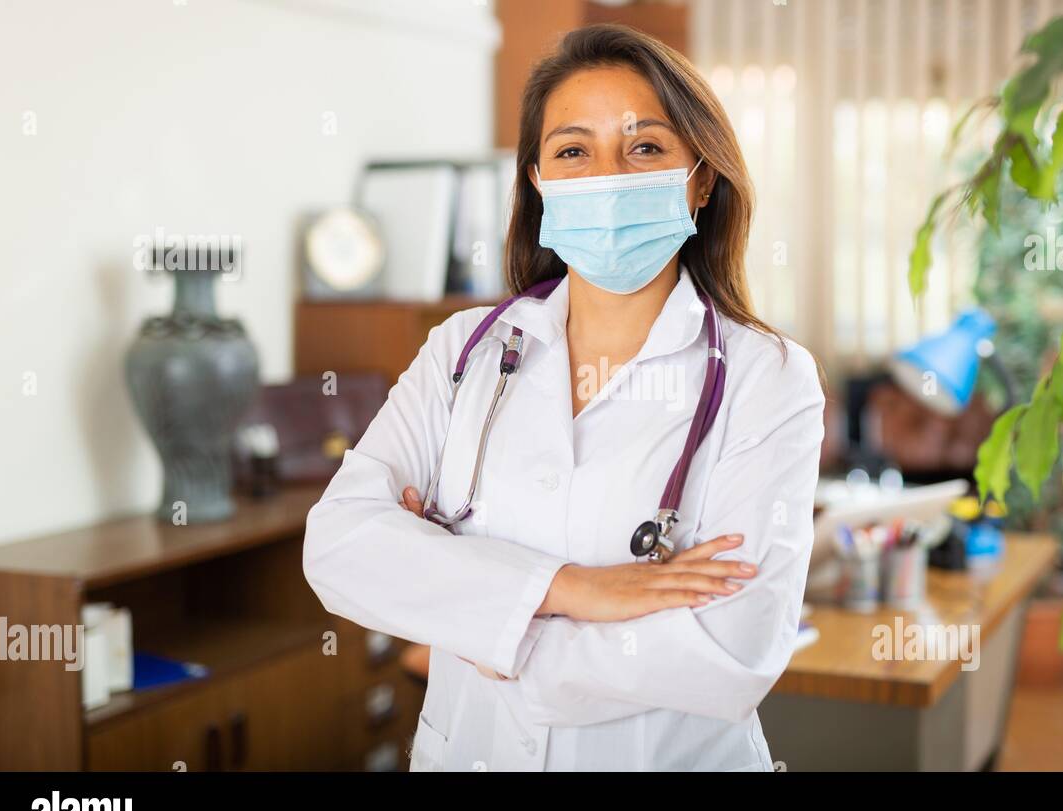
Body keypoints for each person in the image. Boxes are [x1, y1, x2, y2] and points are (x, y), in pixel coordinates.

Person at [303, 23, 825, 771]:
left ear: (701, 179)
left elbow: (732, 648)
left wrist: (482, 620)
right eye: (573, 150)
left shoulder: (765, 375)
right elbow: (339, 546)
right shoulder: (464, 349)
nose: (606, 176)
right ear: (538, 180)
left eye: (644, 147)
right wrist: (574, 588)